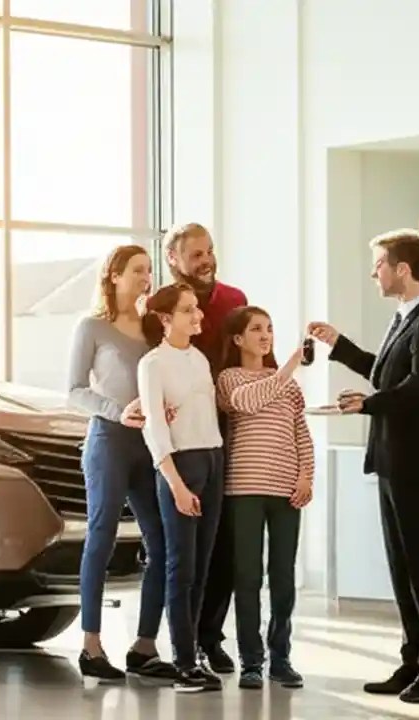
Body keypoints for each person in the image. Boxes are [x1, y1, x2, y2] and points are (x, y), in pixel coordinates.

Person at [308, 228, 419, 705]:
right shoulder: (405, 320)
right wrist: (341, 345)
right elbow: (386, 372)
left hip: (416, 463)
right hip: (394, 461)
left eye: (379, 264)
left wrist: (367, 406)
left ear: (402, 269)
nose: (373, 272)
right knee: (403, 570)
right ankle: (413, 664)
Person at [66, 245, 176, 682]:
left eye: (149, 270)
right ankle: (91, 647)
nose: (146, 278)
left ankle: (144, 646)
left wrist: (166, 408)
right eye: (137, 270)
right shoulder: (92, 327)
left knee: (163, 542)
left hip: (150, 445)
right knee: (101, 538)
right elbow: (74, 390)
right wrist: (117, 411)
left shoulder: (154, 329)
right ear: (114, 276)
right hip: (109, 442)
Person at [215, 306, 313, 690]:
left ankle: (281, 658)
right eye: (257, 329)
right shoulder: (229, 379)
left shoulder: (286, 383)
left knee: (284, 579)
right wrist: (290, 365)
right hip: (244, 490)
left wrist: (306, 476)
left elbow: (301, 434)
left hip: (286, 492)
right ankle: (251, 660)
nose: (265, 335)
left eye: (269, 329)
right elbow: (247, 401)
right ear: (238, 339)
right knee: (248, 577)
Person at [165, 222, 248, 674]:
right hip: (180, 439)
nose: (207, 259)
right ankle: (181, 640)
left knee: (225, 541)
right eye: (196, 254)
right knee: (184, 548)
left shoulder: (234, 299)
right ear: (174, 260)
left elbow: (255, 357)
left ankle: (209, 637)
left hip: (227, 432)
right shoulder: (163, 305)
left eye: (210, 250)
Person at [136, 282, 226, 693]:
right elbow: (154, 428)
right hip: (181, 466)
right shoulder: (152, 364)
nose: (198, 316)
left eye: (196, 309)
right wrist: (174, 484)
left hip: (212, 459)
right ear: (166, 318)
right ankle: (184, 664)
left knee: (202, 567)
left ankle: (193, 657)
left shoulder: (200, 359)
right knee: (181, 567)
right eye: (189, 310)